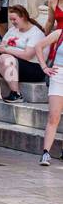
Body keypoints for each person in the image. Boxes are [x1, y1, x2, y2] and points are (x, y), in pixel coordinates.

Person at [0, 5, 46, 102]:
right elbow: (3, 45)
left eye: (14, 19)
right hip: (14, 63)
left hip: (33, 67)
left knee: (5, 58)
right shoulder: (12, 30)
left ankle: (16, 94)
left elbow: (28, 55)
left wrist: (6, 50)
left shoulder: (35, 33)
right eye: (11, 20)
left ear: (23, 17)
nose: (13, 22)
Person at [34, 18, 63, 165]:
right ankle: (46, 152)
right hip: (58, 74)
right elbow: (38, 46)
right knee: (54, 116)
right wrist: (44, 67)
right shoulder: (59, 33)